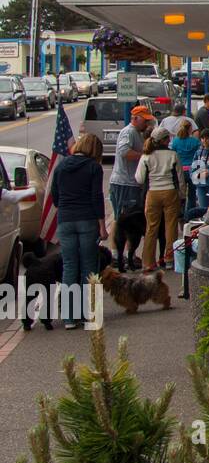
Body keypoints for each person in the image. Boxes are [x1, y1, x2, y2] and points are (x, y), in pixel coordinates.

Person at [46, 134, 106, 329]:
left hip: (65, 219)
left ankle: (69, 317)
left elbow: (55, 195)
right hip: (87, 219)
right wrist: (103, 226)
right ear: (94, 150)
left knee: (69, 266)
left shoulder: (62, 166)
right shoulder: (93, 167)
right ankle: (88, 313)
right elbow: (97, 197)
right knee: (88, 267)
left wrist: (64, 206)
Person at [135, 127, 182, 272]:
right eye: (168, 138)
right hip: (170, 191)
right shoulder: (173, 155)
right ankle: (169, 259)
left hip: (153, 193)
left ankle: (148, 262)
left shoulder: (146, 156)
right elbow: (180, 178)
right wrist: (183, 195)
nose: (170, 140)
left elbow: (139, 179)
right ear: (164, 140)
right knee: (170, 227)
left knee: (151, 228)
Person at [109, 105, 154, 223]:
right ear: (135, 119)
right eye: (145, 121)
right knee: (124, 221)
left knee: (128, 221)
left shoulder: (137, 133)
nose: (147, 124)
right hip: (125, 183)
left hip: (131, 184)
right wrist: (144, 157)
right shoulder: (128, 132)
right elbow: (124, 152)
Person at [170, 120, 200, 210]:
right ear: (190, 129)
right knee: (192, 194)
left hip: (180, 170)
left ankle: (181, 212)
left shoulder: (175, 141)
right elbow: (200, 154)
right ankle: (190, 213)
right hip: (193, 169)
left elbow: (173, 154)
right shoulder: (195, 141)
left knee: (180, 193)